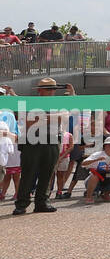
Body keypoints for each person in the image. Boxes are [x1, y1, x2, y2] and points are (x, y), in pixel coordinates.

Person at [13, 76, 75, 215]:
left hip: (52, 140)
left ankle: (42, 202)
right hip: (32, 140)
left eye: (53, 89)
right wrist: (53, 117)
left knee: (48, 172)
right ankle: (22, 203)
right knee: (28, 173)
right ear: (40, 91)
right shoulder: (31, 103)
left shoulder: (57, 103)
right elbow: (30, 122)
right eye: (49, 89)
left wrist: (42, 118)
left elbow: (64, 116)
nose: (52, 92)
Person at [81, 133, 110, 202]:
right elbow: (83, 163)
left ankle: (105, 194)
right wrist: (96, 160)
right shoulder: (97, 154)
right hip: (94, 180)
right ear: (105, 146)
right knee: (95, 175)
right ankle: (89, 197)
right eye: (108, 145)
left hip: (109, 179)